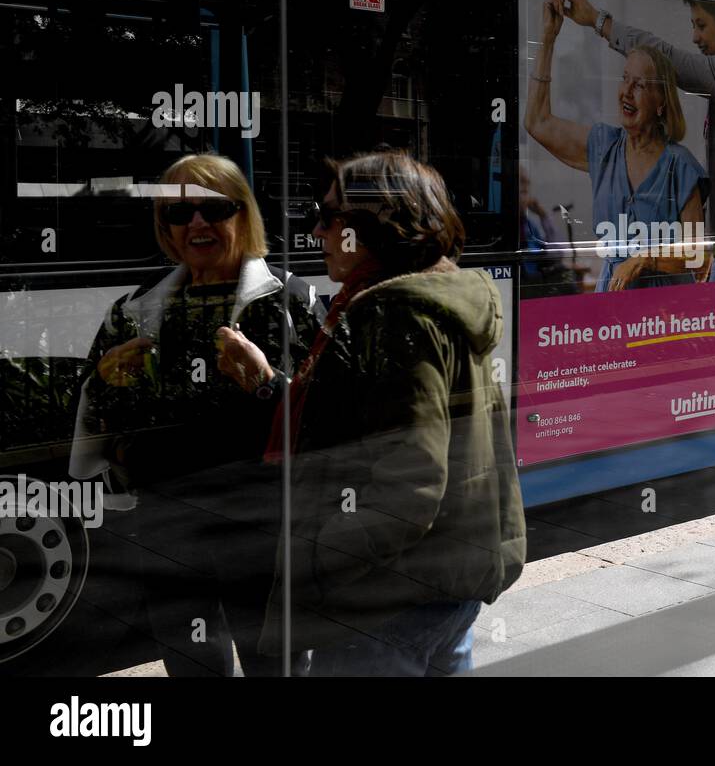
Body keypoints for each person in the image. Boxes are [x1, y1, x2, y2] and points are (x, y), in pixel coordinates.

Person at [217, 150, 526, 676]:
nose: (316, 231)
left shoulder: (391, 314)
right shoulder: (439, 296)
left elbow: (410, 485)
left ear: (375, 225)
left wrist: (318, 557)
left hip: (390, 597)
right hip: (447, 576)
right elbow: (378, 421)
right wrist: (273, 387)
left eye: (329, 217)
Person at [69, 153, 322, 676]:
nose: (197, 224)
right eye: (178, 215)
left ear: (244, 215)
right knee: (189, 662)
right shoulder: (136, 307)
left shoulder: (291, 300)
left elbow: (330, 420)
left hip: (264, 525)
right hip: (169, 527)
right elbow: (95, 416)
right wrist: (104, 384)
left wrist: (267, 386)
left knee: (273, 664)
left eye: (213, 208)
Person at [554, 0, 715, 281]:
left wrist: (597, 20)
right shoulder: (610, 147)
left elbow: (665, 57)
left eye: (701, 25)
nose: (695, 37)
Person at [525, 0, 708, 292]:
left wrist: (643, 260)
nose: (626, 91)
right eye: (625, 79)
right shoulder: (604, 146)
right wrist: (548, 39)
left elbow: (696, 255)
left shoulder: (681, 165)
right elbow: (537, 122)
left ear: (661, 102)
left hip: (667, 315)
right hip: (612, 308)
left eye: (639, 85)